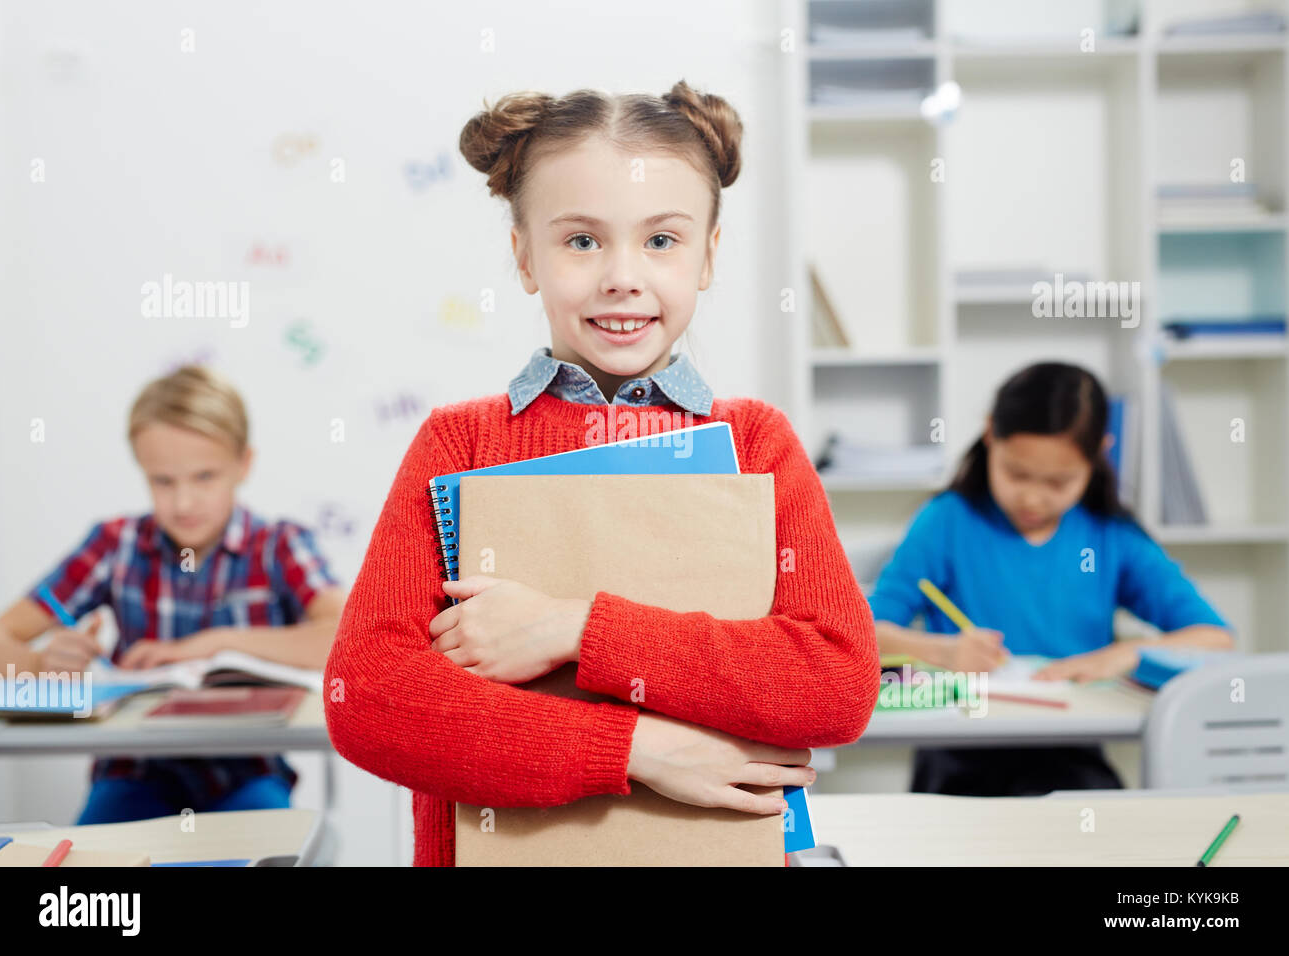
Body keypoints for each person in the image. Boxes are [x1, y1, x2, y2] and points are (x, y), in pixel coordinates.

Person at [325, 81, 881, 866]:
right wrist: (634, 748)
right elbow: (370, 700)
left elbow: (836, 683)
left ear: (709, 256)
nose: (623, 275)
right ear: (524, 257)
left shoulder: (757, 444)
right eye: (581, 241)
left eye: (662, 241)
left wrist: (571, 628)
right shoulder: (459, 445)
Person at [0, 365, 346, 823]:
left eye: (204, 477)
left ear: (244, 464)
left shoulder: (279, 545)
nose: (183, 503)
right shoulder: (114, 545)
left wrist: (213, 643)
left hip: (246, 774)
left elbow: (343, 635)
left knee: (271, 843)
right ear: (142, 471)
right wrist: (41, 665)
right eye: (163, 481)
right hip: (132, 772)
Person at [870, 361, 1234, 795]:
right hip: (959, 752)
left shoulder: (1110, 535)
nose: (1032, 498)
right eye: (1017, 473)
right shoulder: (946, 522)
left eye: (1059, 482)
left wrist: (1128, 653)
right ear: (990, 435)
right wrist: (944, 652)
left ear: (1100, 452)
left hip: (1070, 752)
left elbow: (1216, 638)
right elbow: (862, 633)